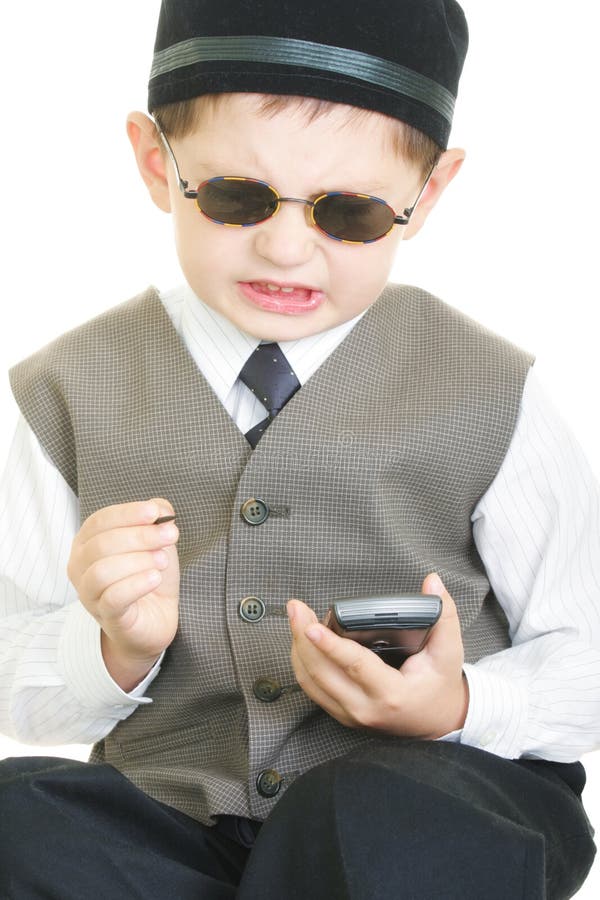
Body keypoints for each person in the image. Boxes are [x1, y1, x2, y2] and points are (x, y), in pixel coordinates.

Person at [0, 0, 598, 897]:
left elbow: (586, 648)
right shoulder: (65, 389)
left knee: (377, 832)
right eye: (236, 197)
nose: (285, 248)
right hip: (173, 817)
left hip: (437, 797)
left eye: (349, 214)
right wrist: (112, 647)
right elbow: (13, 664)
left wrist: (461, 705)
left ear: (425, 196)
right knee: (18, 821)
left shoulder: (490, 389)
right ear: (156, 163)